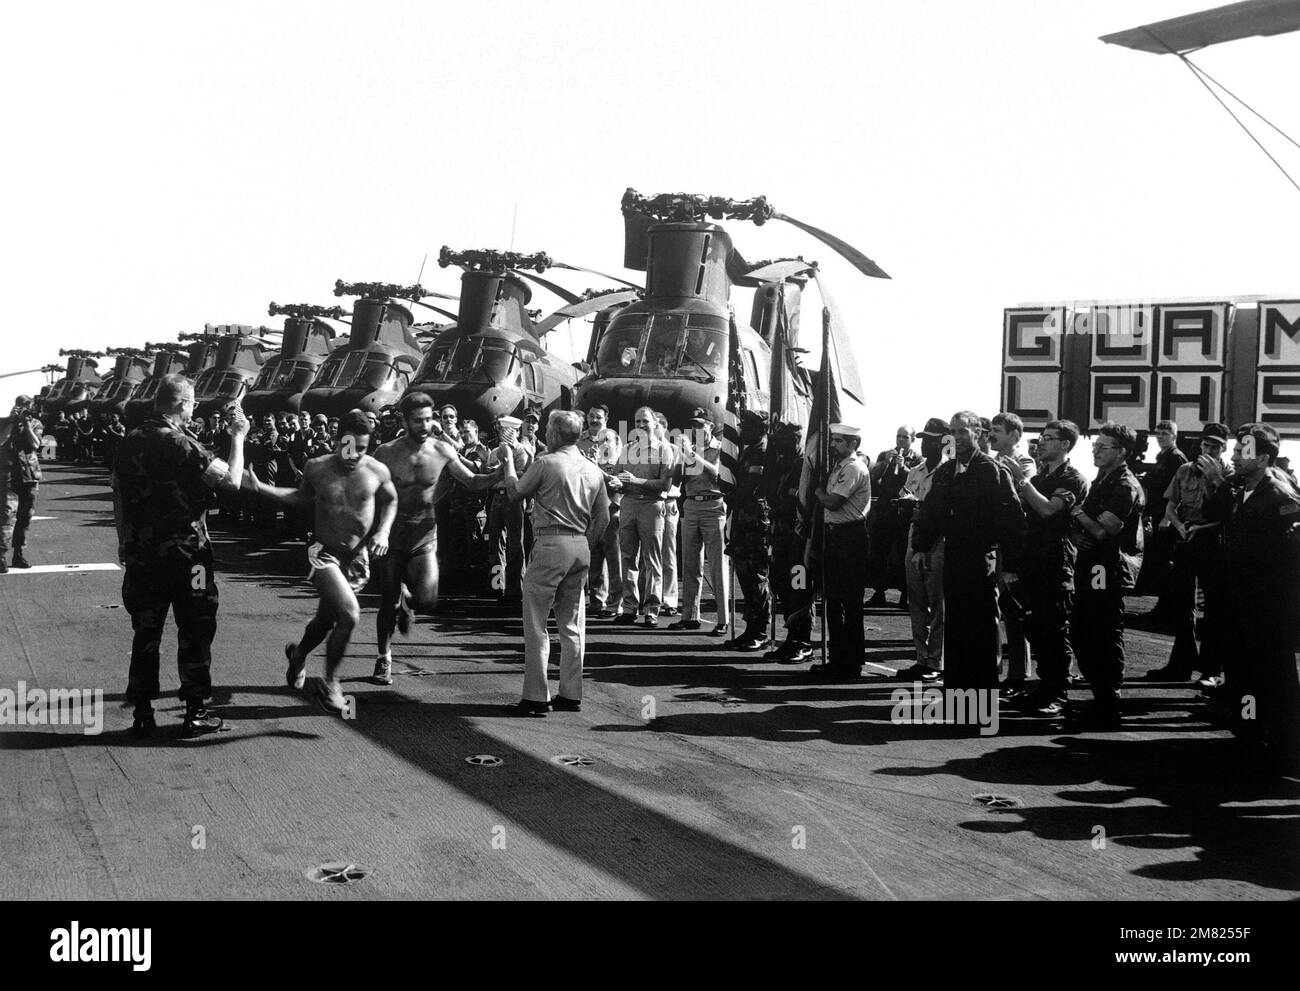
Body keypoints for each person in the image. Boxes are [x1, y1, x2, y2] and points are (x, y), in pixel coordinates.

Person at [111, 374, 249, 737]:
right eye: (191, 405)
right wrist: (238, 437)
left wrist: (124, 541)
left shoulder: (129, 442)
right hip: (191, 558)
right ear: (181, 404)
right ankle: (195, 710)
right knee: (196, 626)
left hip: (143, 554)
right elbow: (232, 482)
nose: (193, 412)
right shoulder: (185, 446)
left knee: (146, 631)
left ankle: (142, 712)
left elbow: (119, 495)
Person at [245, 410, 398, 713]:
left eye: (362, 448)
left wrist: (383, 531)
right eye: (348, 446)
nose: (354, 455)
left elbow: (391, 499)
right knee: (350, 615)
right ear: (338, 439)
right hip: (323, 552)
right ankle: (330, 683)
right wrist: (262, 488)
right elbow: (302, 498)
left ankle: (298, 655)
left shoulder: (378, 470)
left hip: (357, 559)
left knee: (326, 621)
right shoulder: (316, 467)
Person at [371, 394, 502, 683]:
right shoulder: (385, 452)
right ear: (404, 421)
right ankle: (384, 658)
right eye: (418, 420)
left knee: (428, 600)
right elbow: (368, 491)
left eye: (429, 419)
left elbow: (471, 480)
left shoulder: (443, 450)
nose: (425, 425)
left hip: (424, 536)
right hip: (392, 536)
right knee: (388, 602)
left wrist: (502, 473)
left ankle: (409, 602)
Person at [495, 410, 610, 716]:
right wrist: (587, 541)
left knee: (536, 621)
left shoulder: (546, 462)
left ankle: (535, 696)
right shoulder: (592, 469)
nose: (545, 432)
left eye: (548, 428)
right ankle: (571, 694)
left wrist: (508, 458)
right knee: (572, 623)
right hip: (579, 545)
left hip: (550, 543)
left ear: (557, 434)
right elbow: (604, 517)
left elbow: (515, 492)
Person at [1202, 423, 1300, 771]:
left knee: (1271, 675)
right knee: (1243, 672)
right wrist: (1218, 483)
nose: (1232, 457)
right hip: (1241, 600)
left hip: (1266, 605)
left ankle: (1281, 742)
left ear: (1263, 458)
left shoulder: (1280, 495)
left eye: (1242, 452)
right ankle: (1249, 731)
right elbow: (1213, 514)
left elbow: (1292, 554)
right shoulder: (1239, 488)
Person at [911, 411, 1025, 690]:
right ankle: (958, 695)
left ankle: (982, 700)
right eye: (953, 431)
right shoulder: (948, 471)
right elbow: (932, 512)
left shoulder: (991, 470)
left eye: (963, 431)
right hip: (953, 558)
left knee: (981, 629)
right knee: (957, 628)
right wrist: (921, 548)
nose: (957, 438)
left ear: (978, 433)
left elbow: (1013, 518)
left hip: (981, 559)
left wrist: (1010, 565)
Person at [1002, 420, 1089, 717]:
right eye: (1041, 437)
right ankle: (1044, 687)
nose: (1041, 443)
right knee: (1036, 628)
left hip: (1056, 563)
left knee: (1055, 629)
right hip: (1033, 562)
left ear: (1065, 444)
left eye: (1049, 439)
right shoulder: (1040, 478)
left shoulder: (1073, 479)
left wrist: (1021, 482)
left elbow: (1048, 510)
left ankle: (1058, 693)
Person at [1066, 422, 1145, 730]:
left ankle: (1109, 705)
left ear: (1121, 452)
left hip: (1107, 569)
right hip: (1092, 564)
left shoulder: (1125, 485)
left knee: (1103, 632)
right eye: (1095, 445)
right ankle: (1100, 700)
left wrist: (1077, 515)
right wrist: (1080, 527)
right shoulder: (1104, 479)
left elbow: (1102, 530)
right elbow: (1087, 529)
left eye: (1103, 446)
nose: (1095, 450)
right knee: (1085, 632)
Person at [1147, 422, 1230, 684]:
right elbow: (1171, 505)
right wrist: (1180, 525)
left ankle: (1211, 670)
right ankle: (1180, 665)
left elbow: (1228, 515)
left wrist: (1212, 482)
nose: (1208, 449)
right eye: (1206, 444)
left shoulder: (1228, 475)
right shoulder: (1184, 470)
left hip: (1212, 542)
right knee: (1181, 606)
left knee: (1215, 608)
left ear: (1223, 449)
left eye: (1215, 446)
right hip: (1185, 540)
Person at [803, 423, 873, 678]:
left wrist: (819, 492)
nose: (833, 445)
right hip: (836, 537)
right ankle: (838, 658)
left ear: (854, 443)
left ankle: (850, 661)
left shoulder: (854, 468)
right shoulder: (839, 468)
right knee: (834, 601)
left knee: (849, 602)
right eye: (833, 440)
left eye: (840, 441)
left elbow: (833, 502)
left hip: (850, 537)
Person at [896, 417, 952, 682]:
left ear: (943, 441)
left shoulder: (951, 470)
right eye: (924, 439)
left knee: (938, 603)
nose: (925, 444)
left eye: (931, 439)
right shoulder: (916, 470)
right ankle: (921, 658)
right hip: (914, 536)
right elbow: (907, 496)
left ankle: (936, 660)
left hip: (939, 541)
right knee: (916, 603)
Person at [614, 405, 675, 627]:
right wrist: (617, 482)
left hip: (652, 506)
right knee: (628, 557)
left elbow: (665, 484)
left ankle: (651, 609)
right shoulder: (627, 449)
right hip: (629, 504)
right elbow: (619, 476)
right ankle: (629, 607)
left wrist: (635, 481)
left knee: (652, 560)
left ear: (655, 424)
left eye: (645, 421)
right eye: (637, 421)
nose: (640, 425)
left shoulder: (664, 449)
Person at [671, 408, 730, 635]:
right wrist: (680, 455)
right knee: (690, 564)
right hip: (691, 505)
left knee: (717, 565)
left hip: (713, 505)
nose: (696, 429)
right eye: (693, 426)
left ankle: (723, 619)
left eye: (700, 425)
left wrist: (693, 456)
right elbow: (676, 482)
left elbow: (719, 475)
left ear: (710, 426)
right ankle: (690, 616)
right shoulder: (689, 450)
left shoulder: (720, 449)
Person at [989, 412, 1035, 693]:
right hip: (993, 545)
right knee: (993, 612)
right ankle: (995, 670)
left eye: (997, 431)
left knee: (1014, 612)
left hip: (1013, 546)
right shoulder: (991, 462)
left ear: (1014, 436)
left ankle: (1018, 675)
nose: (991, 435)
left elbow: (1019, 500)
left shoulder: (1024, 463)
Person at [764, 422, 811, 661]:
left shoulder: (803, 465)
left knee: (799, 586)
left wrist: (776, 510)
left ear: (796, 440)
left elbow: (793, 501)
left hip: (798, 539)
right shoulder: (783, 465)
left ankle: (802, 640)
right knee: (780, 582)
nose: (779, 447)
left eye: (784, 442)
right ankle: (792, 633)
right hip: (782, 537)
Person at [725, 410, 771, 649]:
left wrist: (733, 495)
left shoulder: (763, 453)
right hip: (743, 521)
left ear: (760, 429)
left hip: (756, 523)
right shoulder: (749, 452)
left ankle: (760, 630)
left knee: (757, 577)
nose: (741, 430)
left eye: (747, 427)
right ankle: (751, 627)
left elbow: (751, 487)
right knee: (744, 575)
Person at [1136, 420, 1188, 609]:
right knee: (1157, 558)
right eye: (1158, 433)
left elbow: (1181, 490)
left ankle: (1166, 606)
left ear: (1174, 436)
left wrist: (1168, 517)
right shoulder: (1162, 456)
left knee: (1165, 559)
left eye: (1165, 434)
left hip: (1167, 518)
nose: (1160, 437)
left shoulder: (1177, 458)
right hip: (1157, 515)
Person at [867, 425, 920, 608]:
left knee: (903, 553)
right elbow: (873, 477)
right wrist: (886, 463)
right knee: (879, 552)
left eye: (905, 437)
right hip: (885, 512)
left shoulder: (918, 460)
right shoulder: (885, 455)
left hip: (903, 514)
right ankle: (878, 592)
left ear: (912, 440)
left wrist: (903, 466)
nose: (900, 440)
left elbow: (915, 483)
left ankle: (905, 595)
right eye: (898, 436)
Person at [578, 404, 623, 618]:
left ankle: (616, 603)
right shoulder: (580, 439)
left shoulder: (611, 438)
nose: (594, 420)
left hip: (609, 503)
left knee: (613, 556)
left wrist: (594, 464)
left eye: (598, 417)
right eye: (591, 416)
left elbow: (613, 470)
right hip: (588, 506)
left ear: (606, 418)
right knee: (593, 555)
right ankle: (597, 600)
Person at [486, 414, 534, 603]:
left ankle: (515, 589)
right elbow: (488, 474)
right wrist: (499, 478)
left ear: (515, 431)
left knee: (515, 543)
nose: (503, 433)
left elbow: (518, 478)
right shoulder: (495, 451)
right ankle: (498, 585)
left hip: (513, 500)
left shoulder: (522, 451)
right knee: (495, 543)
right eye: (501, 429)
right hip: (497, 499)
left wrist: (500, 477)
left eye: (508, 429)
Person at [0, 396, 43, 572]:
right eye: (21, 405)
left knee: (25, 518)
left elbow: (36, 444)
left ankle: (19, 553)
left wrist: (26, 425)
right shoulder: (4, 422)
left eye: (27, 406)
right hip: (8, 475)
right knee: (7, 516)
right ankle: (1, 555)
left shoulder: (36, 424)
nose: (24, 409)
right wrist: (11, 422)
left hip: (29, 475)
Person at [654, 411, 681, 617]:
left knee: (668, 554)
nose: (655, 428)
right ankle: (650, 595)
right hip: (650, 505)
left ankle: (670, 599)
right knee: (649, 554)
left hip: (668, 502)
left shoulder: (674, 450)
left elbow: (678, 480)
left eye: (658, 425)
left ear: (664, 426)